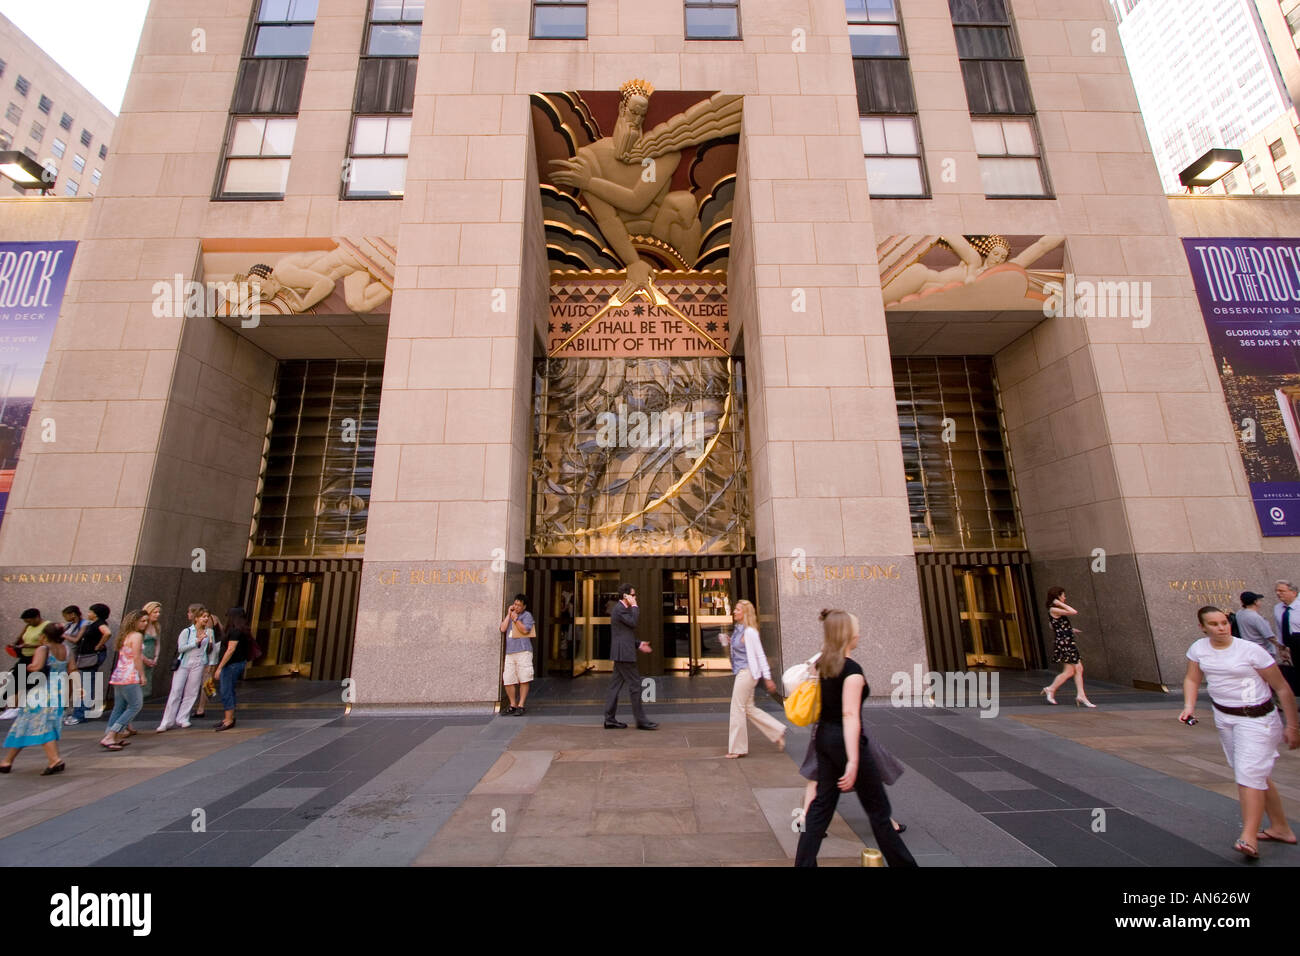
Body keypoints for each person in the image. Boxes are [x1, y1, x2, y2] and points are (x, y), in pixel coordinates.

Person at [794, 609, 917, 868]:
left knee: (820, 807)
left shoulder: (825, 664)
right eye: (855, 627)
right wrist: (852, 760)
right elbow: (850, 715)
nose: (859, 632)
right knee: (879, 811)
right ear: (846, 634)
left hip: (824, 739)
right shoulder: (852, 670)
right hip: (844, 741)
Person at [1182, 606, 1300, 859]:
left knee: (1248, 776)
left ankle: (1248, 837)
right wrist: (1189, 707)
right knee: (1254, 773)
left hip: (1257, 719)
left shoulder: (1250, 651)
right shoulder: (1199, 649)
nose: (1221, 627)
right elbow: (1192, 678)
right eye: (1213, 624)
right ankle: (1280, 827)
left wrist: (1292, 726)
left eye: (1224, 622)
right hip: (1225, 717)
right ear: (1202, 627)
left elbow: (1282, 688)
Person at [0, 622, 75, 775]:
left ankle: (54, 760)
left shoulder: (43, 648)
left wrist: (27, 666)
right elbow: (72, 670)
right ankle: (7, 761)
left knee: (39, 723)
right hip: (59, 688)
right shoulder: (67, 650)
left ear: (44, 635)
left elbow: (36, 667)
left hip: (42, 690)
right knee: (27, 723)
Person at [722, 599, 785, 758]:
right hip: (743, 672)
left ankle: (737, 748)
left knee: (737, 709)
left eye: (737, 610)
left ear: (745, 613)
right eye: (735, 609)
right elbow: (740, 648)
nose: (734, 612)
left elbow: (760, 655)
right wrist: (730, 642)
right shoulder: (739, 630)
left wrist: (768, 678)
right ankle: (777, 731)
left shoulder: (750, 632)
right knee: (748, 708)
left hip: (747, 673)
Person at [603, 583, 657, 730]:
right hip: (624, 654)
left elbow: (624, 635)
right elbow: (633, 623)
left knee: (614, 686)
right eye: (633, 595)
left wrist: (639, 644)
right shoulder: (620, 609)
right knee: (635, 685)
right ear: (625, 596)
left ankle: (609, 719)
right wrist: (635, 606)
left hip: (622, 652)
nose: (635, 597)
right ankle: (641, 721)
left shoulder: (621, 609)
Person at [156, 608, 212, 732]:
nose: (206, 618)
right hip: (184, 663)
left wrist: (207, 664)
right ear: (196, 618)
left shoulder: (208, 632)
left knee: (192, 691)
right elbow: (181, 648)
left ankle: (183, 717)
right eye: (203, 616)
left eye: (207, 616)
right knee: (176, 691)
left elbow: (207, 649)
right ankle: (167, 721)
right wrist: (196, 642)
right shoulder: (187, 631)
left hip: (199, 663)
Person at [100, 610, 147, 752]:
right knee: (135, 705)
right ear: (135, 621)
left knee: (118, 707)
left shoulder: (125, 635)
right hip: (130, 675)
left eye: (146, 621)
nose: (145, 624)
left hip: (119, 675)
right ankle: (112, 735)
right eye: (142, 621)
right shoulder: (137, 636)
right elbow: (137, 657)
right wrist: (142, 675)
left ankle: (110, 735)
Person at [1040, 587, 1095, 707]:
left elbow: (1053, 625)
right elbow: (1073, 611)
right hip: (1065, 643)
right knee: (1073, 670)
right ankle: (1055, 689)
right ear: (1057, 597)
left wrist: (1069, 630)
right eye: (1063, 595)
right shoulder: (1054, 608)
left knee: (1074, 670)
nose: (1065, 598)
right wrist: (1058, 602)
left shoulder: (1054, 610)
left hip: (1066, 641)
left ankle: (1079, 695)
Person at [69, 604, 112, 724]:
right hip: (87, 657)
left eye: (90, 612)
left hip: (91, 657)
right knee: (86, 684)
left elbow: (107, 633)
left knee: (86, 685)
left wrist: (98, 646)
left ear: (96, 613)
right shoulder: (93, 624)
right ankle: (80, 712)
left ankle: (79, 715)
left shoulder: (100, 624)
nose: (88, 614)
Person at [3, 609, 49, 719]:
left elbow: (47, 644)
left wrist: (30, 646)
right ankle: (12, 708)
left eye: (30, 620)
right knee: (15, 681)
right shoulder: (28, 626)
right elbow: (20, 638)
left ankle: (21, 707)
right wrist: (15, 645)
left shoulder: (47, 626)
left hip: (37, 658)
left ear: (37, 617)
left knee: (32, 683)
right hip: (25, 657)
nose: (28, 623)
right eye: (26, 621)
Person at [213, 608, 252, 732]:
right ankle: (228, 717)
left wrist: (219, 667)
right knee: (229, 690)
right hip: (237, 663)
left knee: (226, 691)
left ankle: (228, 719)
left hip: (232, 665)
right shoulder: (243, 630)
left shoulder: (235, 631)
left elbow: (230, 650)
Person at [498, 594, 536, 716]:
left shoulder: (527, 616)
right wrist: (509, 615)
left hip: (523, 651)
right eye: (515, 604)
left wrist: (516, 619)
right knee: (508, 679)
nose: (516, 607)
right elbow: (503, 629)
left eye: (519, 605)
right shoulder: (511, 615)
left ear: (524, 606)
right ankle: (512, 704)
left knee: (524, 678)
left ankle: (521, 705)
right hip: (510, 652)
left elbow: (525, 630)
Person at [1238, 591, 1285, 663]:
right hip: (1263, 651)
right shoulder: (1256, 618)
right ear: (1255, 602)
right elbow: (1270, 636)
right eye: (1259, 600)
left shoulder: (1240, 614)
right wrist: (1282, 648)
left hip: (1249, 650)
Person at [1273, 580, 1300, 696]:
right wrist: (1282, 647)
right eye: (1277, 591)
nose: (1278, 593)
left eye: (1282, 591)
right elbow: (1279, 628)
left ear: (1293, 592)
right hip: (1293, 646)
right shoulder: (1278, 608)